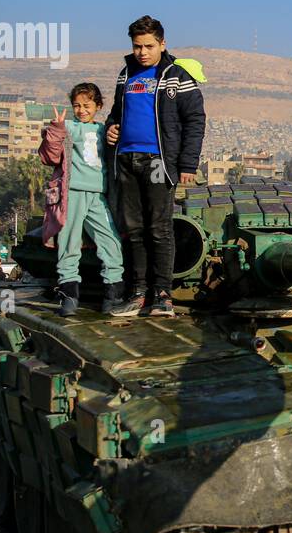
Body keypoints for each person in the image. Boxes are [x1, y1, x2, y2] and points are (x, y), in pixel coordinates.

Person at [104, 16, 207, 317]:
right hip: (126, 161)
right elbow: (115, 113)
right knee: (133, 230)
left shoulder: (177, 76)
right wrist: (111, 127)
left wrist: (188, 164)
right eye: (137, 46)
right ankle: (137, 294)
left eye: (149, 46)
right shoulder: (125, 75)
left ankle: (162, 296)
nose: (142, 52)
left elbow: (195, 120)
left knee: (159, 229)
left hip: (158, 163)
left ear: (162, 44)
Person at [40, 84, 142, 318]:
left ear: (98, 106)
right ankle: (69, 294)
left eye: (87, 105)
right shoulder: (68, 128)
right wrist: (56, 129)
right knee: (68, 243)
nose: (82, 110)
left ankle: (113, 293)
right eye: (77, 105)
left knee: (111, 241)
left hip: (98, 194)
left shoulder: (104, 130)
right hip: (72, 193)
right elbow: (49, 155)